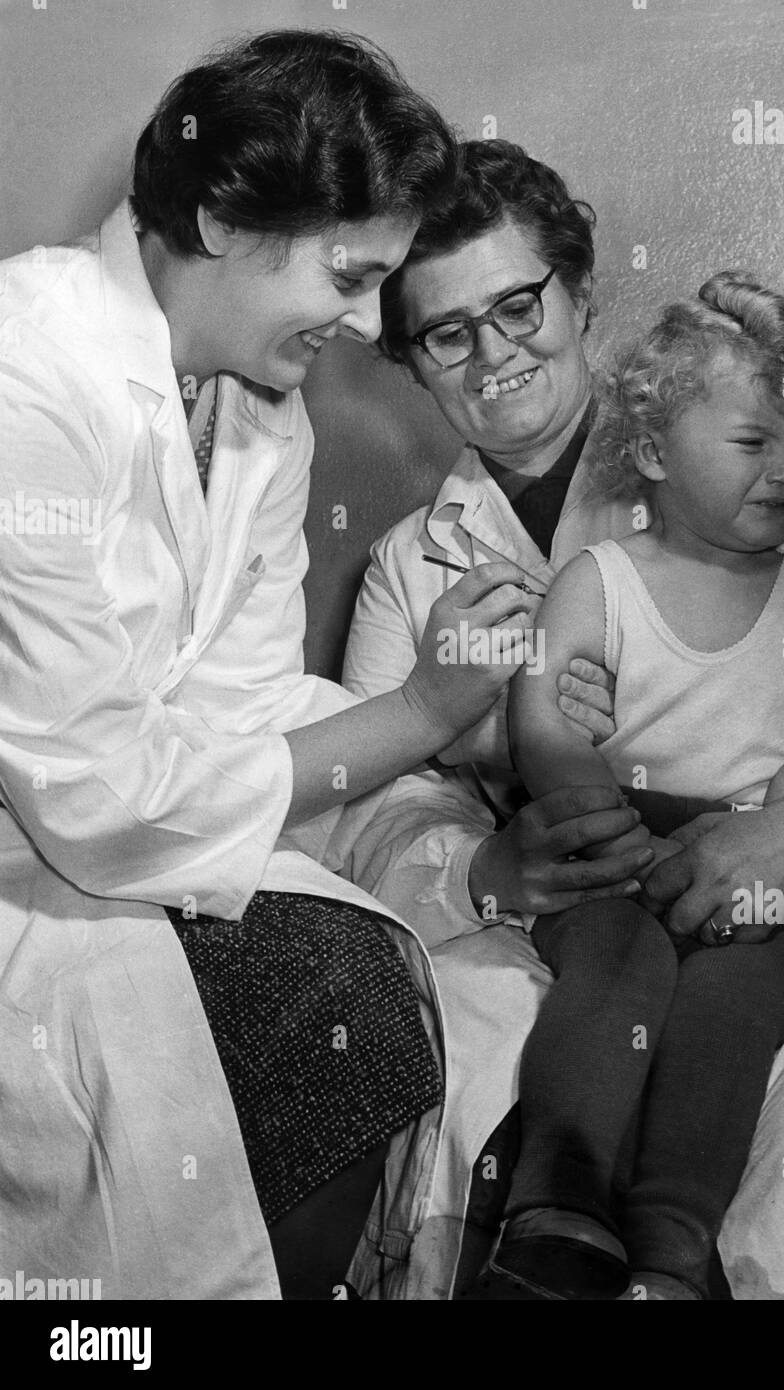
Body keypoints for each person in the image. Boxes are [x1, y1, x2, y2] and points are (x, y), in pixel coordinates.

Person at [0, 31, 644, 1303]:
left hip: (121, 840)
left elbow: (245, 705)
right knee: (302, 1010)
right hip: (53, 851)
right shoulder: (30, 375)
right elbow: (96, 798)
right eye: (354, 277)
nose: (365, 325)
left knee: (369, 1006)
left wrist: (433, 764)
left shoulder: (254, 407)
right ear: (229, 215)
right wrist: (425, 709)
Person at [343, 138, 784, 1300]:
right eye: (447, 332)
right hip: (578, 925)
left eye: (520, 303)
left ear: (581, 295)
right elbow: (367, 812)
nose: (494, 352)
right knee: (488, 1131)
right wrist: (487, 868)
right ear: (412, 365)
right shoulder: (410, 571)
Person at [492, 272, 784, 1300]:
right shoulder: (597, 579)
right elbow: (548, 727)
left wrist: (754, 857)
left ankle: (669, 1247)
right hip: (614, 838)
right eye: (754, 443)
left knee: (731, 1007)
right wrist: (610, 830)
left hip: (751, 856)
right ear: (654, 453)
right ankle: (559, 1206)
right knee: (613, 965)